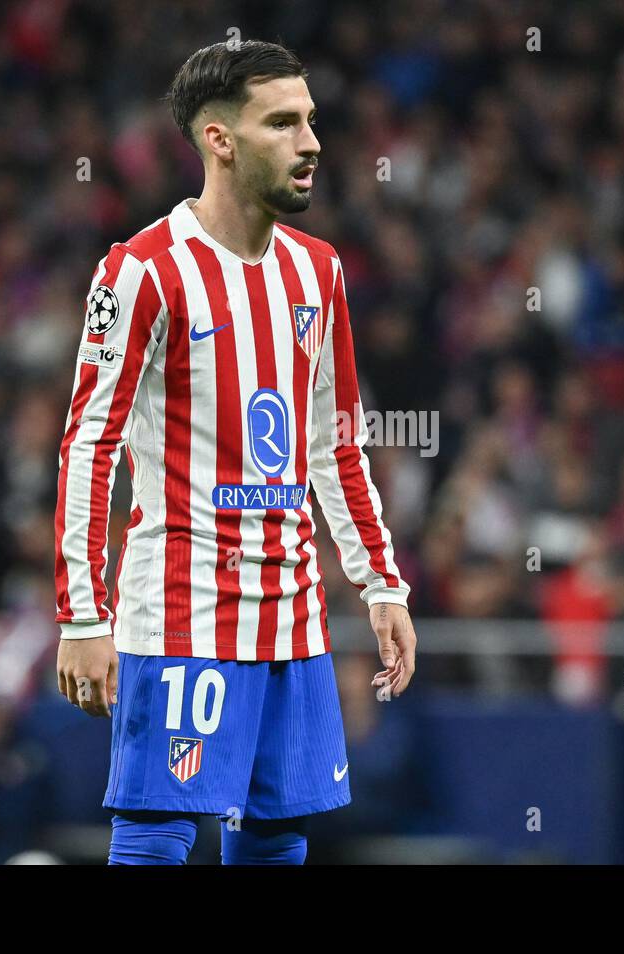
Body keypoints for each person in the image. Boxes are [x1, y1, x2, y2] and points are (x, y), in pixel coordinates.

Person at [53, 40, 418, 865]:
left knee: (278, 836)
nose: (312, 142)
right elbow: (88, 444)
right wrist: (82, 613)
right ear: (219, 139)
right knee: (157, 831)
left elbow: (336, 446)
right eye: (283, 123)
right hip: (179, 603)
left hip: (293, 611)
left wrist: (379, 581)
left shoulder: (318, 273)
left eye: (312, 122)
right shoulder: (140, 272)